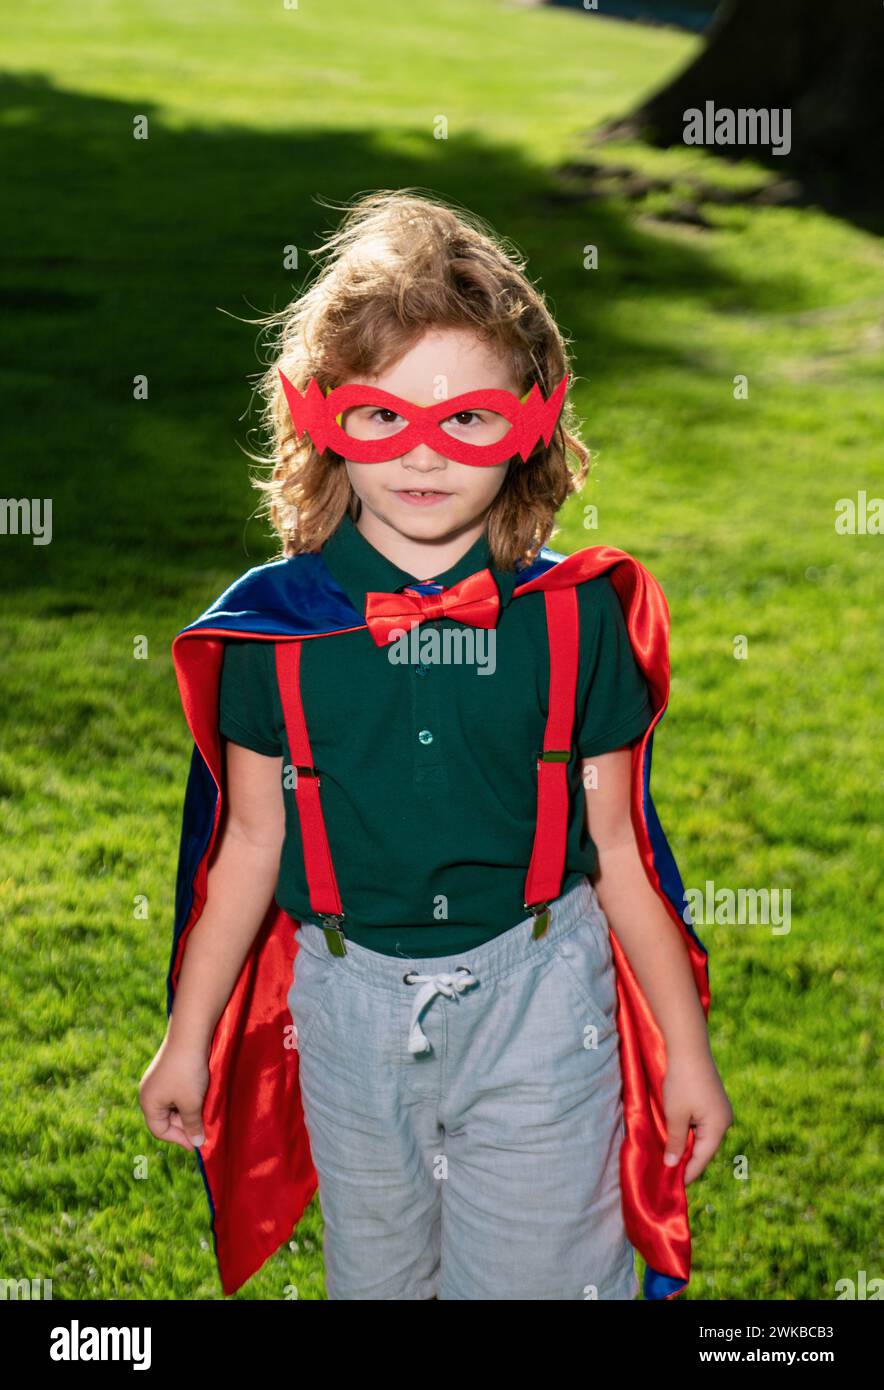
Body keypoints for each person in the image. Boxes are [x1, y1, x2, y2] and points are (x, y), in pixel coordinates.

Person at [139, 190, 732, 1301]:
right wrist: (188, 1037)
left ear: (532, 426)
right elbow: (249, 848)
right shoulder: (271, 636)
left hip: (540, 1003)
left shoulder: (579, 619)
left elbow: (620, 852)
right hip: (344, 1011)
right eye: (382, 414)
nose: (425, 454)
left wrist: (685, 1051)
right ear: (317, 416)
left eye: (467, 418)